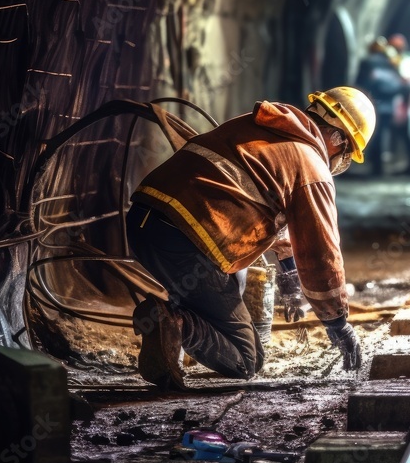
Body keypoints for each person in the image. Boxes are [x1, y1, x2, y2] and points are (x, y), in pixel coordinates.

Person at [126, 87, 376, 389]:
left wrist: (290, 276)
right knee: (247, 358)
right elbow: (321, 252)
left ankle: (173, 322)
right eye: (347, 152)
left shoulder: (261, 126)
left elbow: (279, 219)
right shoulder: (312, 167)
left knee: (229, 281)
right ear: (338, 140)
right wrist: (337, 322)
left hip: (143, 220)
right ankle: (174, 324)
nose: (342, 160)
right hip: (187, 241)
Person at [355, 37, 410, 176]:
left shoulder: (367, 62)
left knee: (374, 135)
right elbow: (401, 84)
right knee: (384, 134)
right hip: (389, 104)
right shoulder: (390, 62)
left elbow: (361, 83)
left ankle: (376, 166)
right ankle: (382, 165)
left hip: (372, 104)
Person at [386, 33, 410, 174]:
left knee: (406, 135)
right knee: (400, 135)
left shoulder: (407, 62)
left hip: (406, 104)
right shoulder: (393, 61)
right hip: (399, 104)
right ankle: (407, 163)